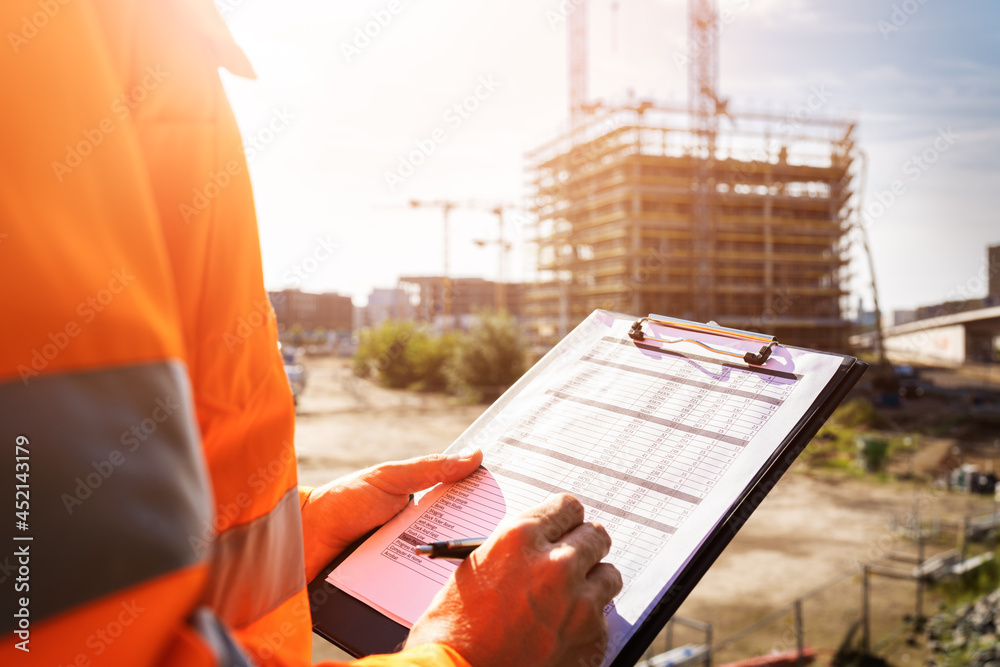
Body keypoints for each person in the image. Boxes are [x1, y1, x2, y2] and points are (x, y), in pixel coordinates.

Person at [0, 1, 622, 665]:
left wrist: (294, 535)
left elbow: (114, 547)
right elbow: (57, 623)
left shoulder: (135, 33)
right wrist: (465, 655)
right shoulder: (54, 35)